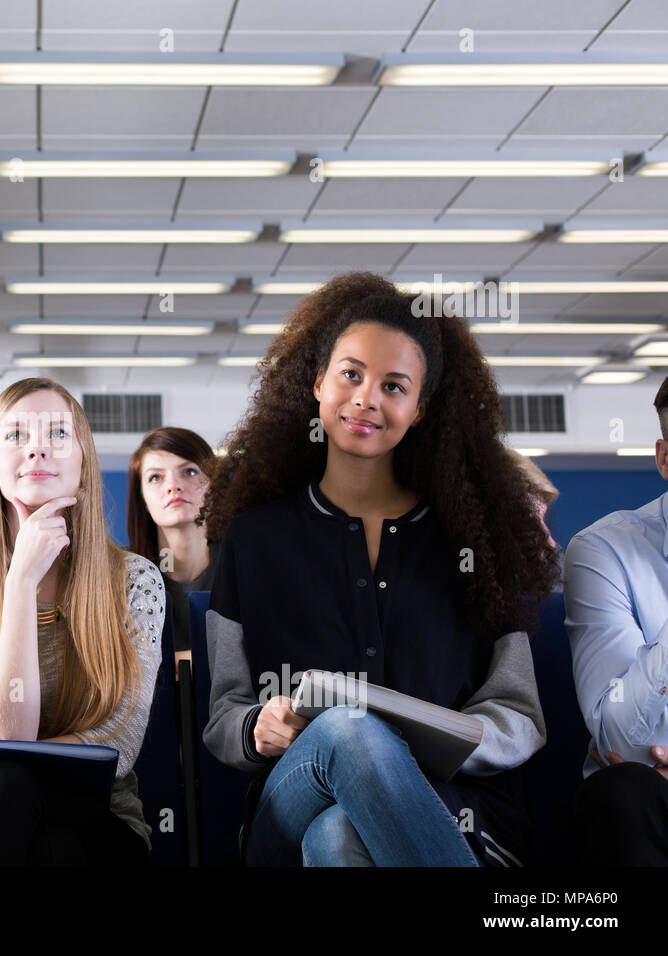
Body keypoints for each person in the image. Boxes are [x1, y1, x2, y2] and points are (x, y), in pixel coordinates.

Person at [200, 272, 558, 867]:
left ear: (419, 410)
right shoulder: (253, 540)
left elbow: (518, 713)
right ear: (318, 384)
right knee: (347, 729)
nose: (367, 397)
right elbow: (225, 713)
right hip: (290, 803)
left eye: (394, 385)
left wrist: (436, 746)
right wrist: (256, 728)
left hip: (454, 808)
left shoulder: (478, 544)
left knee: (342, 836)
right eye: (351, 374)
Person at [0, 377, 163, 866]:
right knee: (12, 790)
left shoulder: (137, 582)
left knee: (23, 796)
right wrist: (19, 583)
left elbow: (119, 743)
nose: (37, 449)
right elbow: (7, 735)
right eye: (16, 435)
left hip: (101, 814)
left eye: (58, 434)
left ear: (84, 463)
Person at [566, 374, 668, 865]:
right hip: (652, 798)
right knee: (623, 790)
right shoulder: (605, 549)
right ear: (665, 459)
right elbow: (621, 740)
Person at [127, 426, 217, 669]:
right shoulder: (120, 576)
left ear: (213, 485)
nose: (173, 486)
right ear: (142, 498)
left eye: (189, 472)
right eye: (155, 477)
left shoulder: (243, 564)